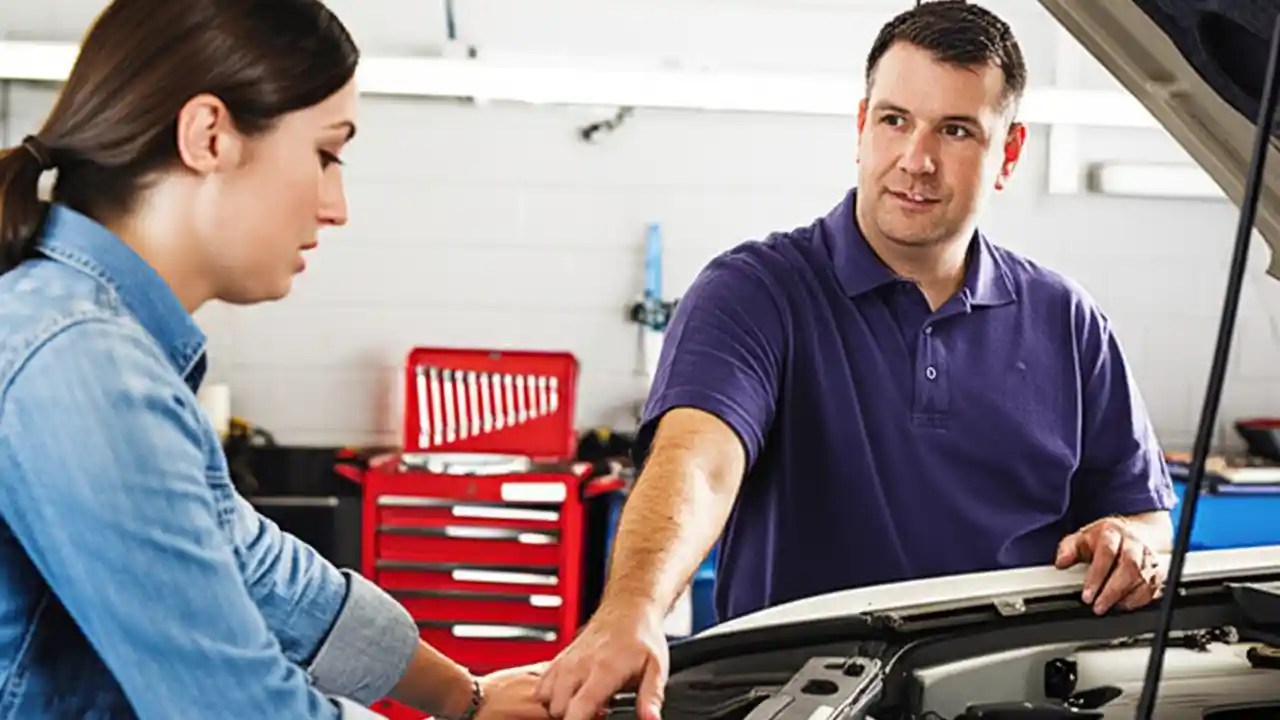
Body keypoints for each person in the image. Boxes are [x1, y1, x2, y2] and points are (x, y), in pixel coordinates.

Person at [536, 2, 1177, 719]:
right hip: (798, 698)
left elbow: (1143, 513)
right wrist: (634, 607)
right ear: (861, 127)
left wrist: (1132, 540)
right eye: (895, 120)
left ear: (1012, 151)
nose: (917, 159)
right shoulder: (756, 292)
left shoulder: (1068, 321)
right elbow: (699, 462)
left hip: (1015, 699)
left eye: (956, 130)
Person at [0, 1, 550, 718]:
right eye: (326, 155)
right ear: (208, 135)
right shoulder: (82, 361)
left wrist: (463, 698)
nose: (337, 205)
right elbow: (237, 705)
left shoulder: (100, 341)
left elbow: (261, 570)